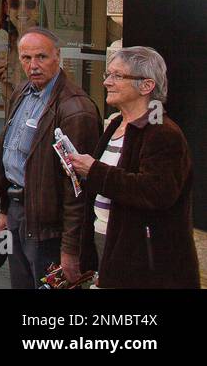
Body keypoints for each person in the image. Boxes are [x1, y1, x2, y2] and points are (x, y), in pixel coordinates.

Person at [67, 47, 200, 289]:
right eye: (108, 75)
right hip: (107, 244)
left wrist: (95, 171)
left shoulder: (163, 132)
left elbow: (156, 192)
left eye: (117, 76)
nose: (107, 82)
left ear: (147, 85)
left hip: (146, 266)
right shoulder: (117, 123)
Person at [0, 27, 101, 288]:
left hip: (48, 226)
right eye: (26, 58)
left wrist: (70, 249)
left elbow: (78, 187)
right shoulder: (22, 92)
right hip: (18, 210)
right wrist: (4, 209)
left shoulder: (75, 108)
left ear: (58, 57)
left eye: (41, 57)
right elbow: (10, 156)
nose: (33, 65)